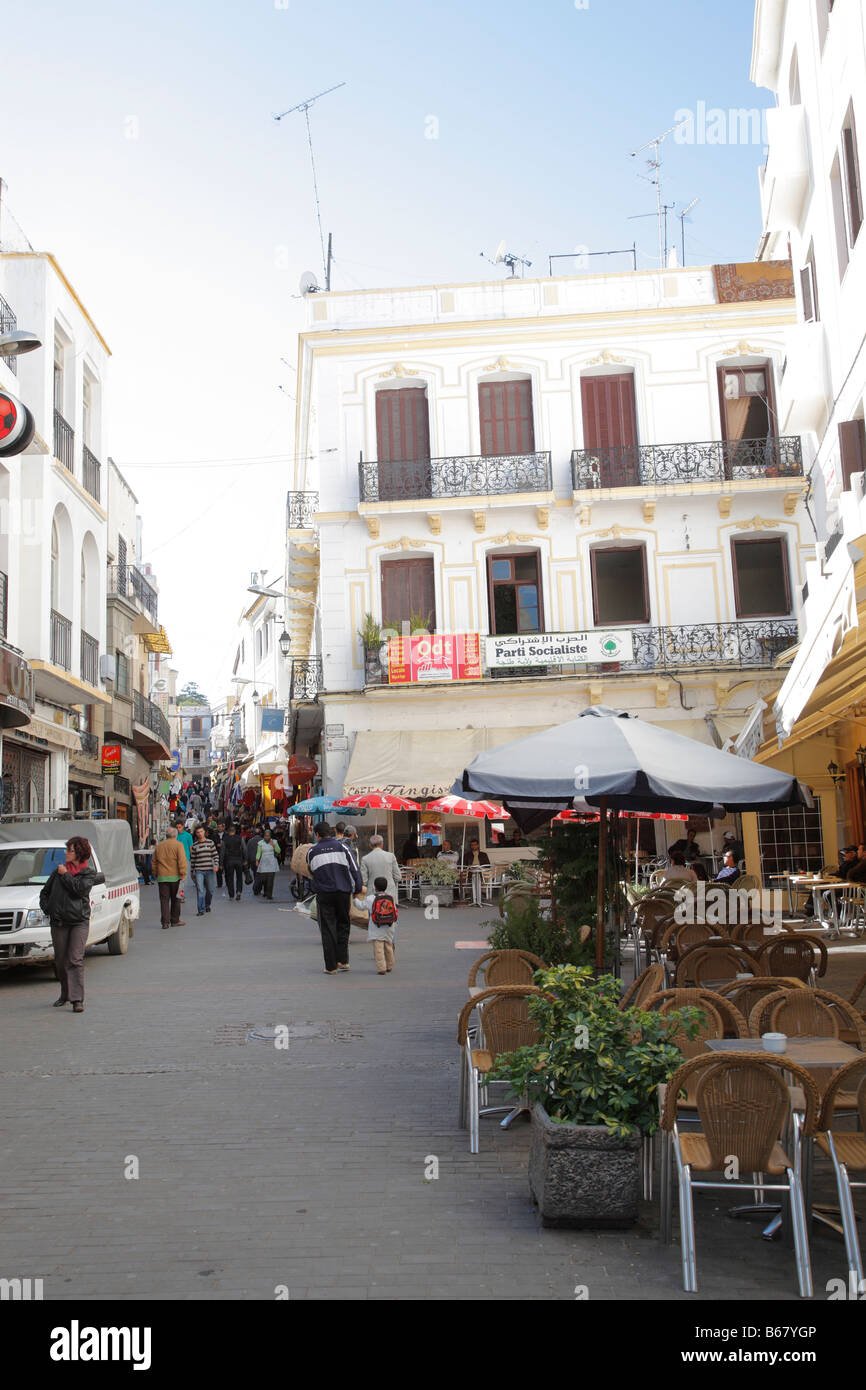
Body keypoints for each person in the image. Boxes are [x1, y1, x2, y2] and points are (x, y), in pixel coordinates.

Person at [39, 835, 105, 1012]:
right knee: (60, 961)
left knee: (75, 959)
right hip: (59, 922)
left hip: (79, 922)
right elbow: (44, 893)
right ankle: (65, 993)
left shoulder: (88, 873)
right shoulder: (58, 872)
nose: (66, 852)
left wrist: (66, 874)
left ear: (79, 853)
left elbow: (79, 890)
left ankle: (77, 1000)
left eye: (70, 850)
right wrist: (49, 909)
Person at [307, 822, 362, 975]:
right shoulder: (343, 848)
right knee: (343, 924)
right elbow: (354, 869)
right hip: (343, 893)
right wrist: (357, 889)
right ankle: (343, 961)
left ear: (317, 835)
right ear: (330, 832)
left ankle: (331, 967)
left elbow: (311, 871)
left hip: (324, 894)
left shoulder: (312, 851)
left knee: (327, 928)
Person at [356, 874, 398, 975]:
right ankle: (390, 965)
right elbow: (394, 911)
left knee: (378, 948)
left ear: (374, 887)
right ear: (386, 887)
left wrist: (355, 900)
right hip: (389, 926)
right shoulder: (390, 898)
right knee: (388, 946)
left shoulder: (371, 898)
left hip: (376, 926)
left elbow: (361, 906)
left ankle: (381, 968)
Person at [152, 826, 188, 930]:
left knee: (164, 900)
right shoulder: (178, 845)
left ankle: (165, 922)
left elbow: (154, 862)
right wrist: (183, 873)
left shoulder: (159, 846)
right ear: (176, 835)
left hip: (162, 877)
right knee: (176, 899)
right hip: (175, 877)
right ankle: (175, 920)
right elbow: (182, 860)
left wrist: (155, 873)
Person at [361, 833, 401, 903]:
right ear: (382, 844)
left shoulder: (365, 859)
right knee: (390, 913)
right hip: (389, 893)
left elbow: (364, 881)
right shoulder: (391, 856)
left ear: (370, 845)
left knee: (373, 913)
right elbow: (398, 877)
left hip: (372, 895)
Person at [190, 826, 219, 916]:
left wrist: (216, 864)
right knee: (200, 890)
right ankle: (200, 909)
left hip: (209, 870)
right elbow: (193, 859)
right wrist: (192, 872)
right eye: (198, 832)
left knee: (210, 890)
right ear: (196, 834)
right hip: (199, 870)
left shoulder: (210, 843)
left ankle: (207, 905)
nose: (200, 833)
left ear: (204, 832)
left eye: (201, 831)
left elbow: (215, 855)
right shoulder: (195, 845)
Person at [221, 821, 246, 901]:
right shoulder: (240, 838)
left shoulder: (225, 840)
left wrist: (221, 863)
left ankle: (231, 895)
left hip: (229, 861)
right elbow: (244, 849)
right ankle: (238, 892)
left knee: (230, 878)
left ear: (228, 832)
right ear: (234, 831)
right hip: (239, 860)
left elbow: (222, 852)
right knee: (239, 877)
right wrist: (245, 860)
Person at [255, 829, 281, 901]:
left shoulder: (274, 842)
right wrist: (257, 860)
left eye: (268, 836)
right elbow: (259, 852)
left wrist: (273, 845)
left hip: (272, 862)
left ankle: (269, 895)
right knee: (263, 879)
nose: (267, 837)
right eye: (266, 836)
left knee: (270, 880)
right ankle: (265, 891)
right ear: (264, 836)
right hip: (263, 862)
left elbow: (278, 851)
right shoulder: (260, 843)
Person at [246, 826, 263, 894]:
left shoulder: (250, 841)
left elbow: (247, 851)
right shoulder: (263, 841)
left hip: (253, 861)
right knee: (260, 875)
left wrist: (247, 862)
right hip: (261, 860)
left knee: (256, 874)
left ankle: (256, 888)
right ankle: (256, 888)